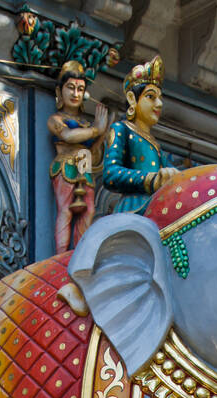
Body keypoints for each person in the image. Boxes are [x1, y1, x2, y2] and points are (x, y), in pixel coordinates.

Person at [102, 55, 179, 212]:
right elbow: (111, 174)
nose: (159, 104)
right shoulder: (121, 129)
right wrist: (150, 179)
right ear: (132, 99)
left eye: (160, 98)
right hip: (134, 210)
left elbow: (173, 175)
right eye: (151, 97)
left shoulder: (155, 145)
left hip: (157, 208)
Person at [47, 60, 109, 252]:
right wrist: (95, 130)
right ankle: (60, 255)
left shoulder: (84, 124)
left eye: (80, 89)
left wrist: (102, 134)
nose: (75, 94)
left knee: (88, 210)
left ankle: (80, 252)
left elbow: (94, 154)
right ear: (60, 91)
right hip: (66, 165)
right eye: (70, 88)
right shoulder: (57, 119)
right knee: (65, 209)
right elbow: (67, 136)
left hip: (85, 166)